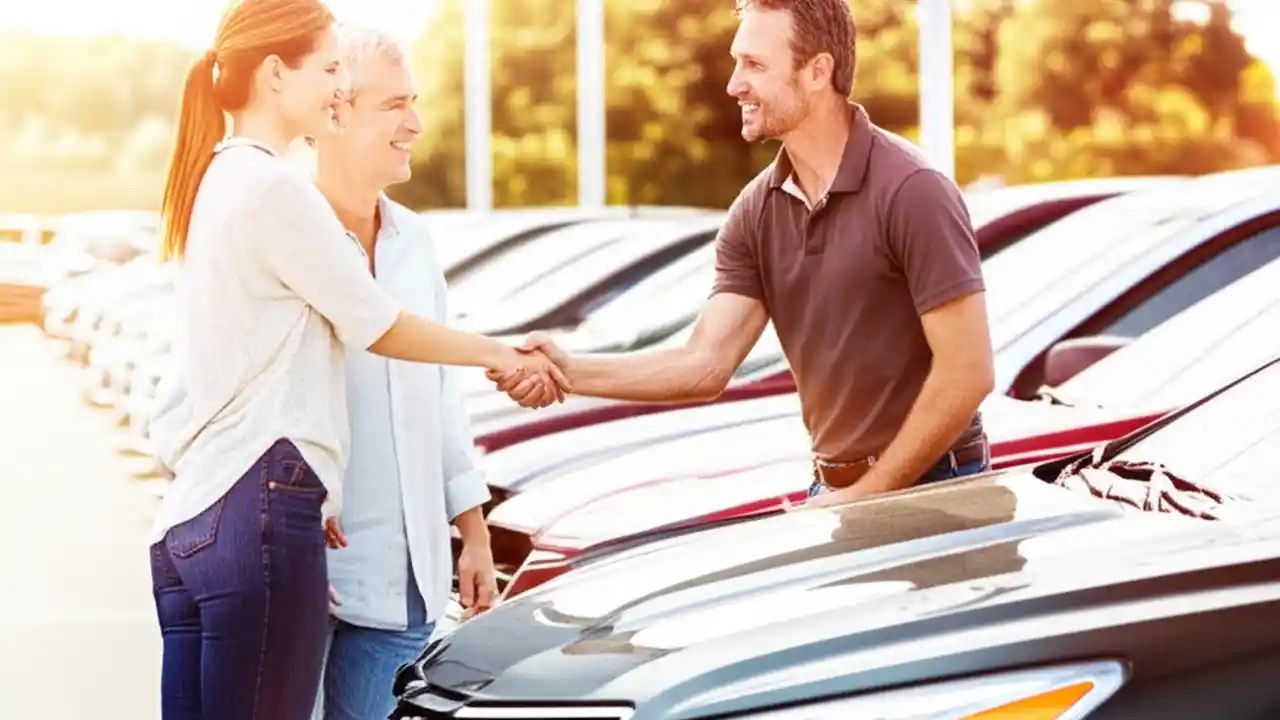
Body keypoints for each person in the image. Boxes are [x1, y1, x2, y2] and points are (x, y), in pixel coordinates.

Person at [145, 2, 564, 718]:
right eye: (333, 72)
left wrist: (461, 526)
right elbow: (376, 327)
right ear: (285, 78)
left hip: (285, 542)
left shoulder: (225, 183)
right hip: (277, 535)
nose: (337, 89)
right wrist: (499, 352)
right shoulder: (274, 194)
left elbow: (423, 395)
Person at [495, 0, 995, 508]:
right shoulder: (757, 210)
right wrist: (567, 371)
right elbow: (705, 363)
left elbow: (967, 372)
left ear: (818, 71)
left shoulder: (913, 190)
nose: (734, 85)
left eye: (754, 65)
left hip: (938, 486)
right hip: (840, 490)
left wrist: (866, 493)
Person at [304, 25, 497, 720]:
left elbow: (442, 398)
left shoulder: (416, 243)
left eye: (414, 102)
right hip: (308, 585)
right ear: (335, 110)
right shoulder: (285, 236)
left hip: (405, 594)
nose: (415, 124)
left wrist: (471, 533)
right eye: (394, 106)